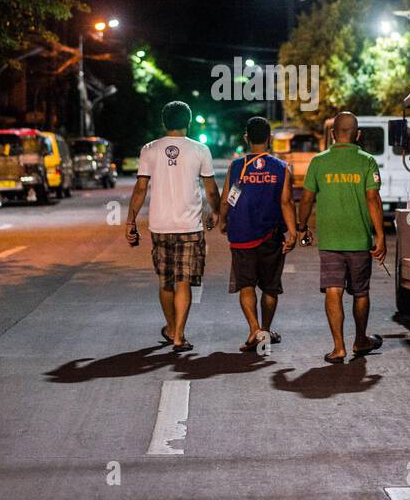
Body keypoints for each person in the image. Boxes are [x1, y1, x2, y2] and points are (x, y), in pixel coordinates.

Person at [125, 101, 220, 353]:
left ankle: (171, 327)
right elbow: (210, 189)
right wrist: (217, 211)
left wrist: (130, 220)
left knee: (165, 282)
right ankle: (178, 336)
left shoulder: (150, 149)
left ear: (164, 122)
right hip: (190, 226)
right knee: (184, 282)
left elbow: (140, 188)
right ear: (188, 122)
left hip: (160, 225)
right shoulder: (200, 150)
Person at [298, 112, 386, 363]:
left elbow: (306, 198)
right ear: (358, 135)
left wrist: (301, 225)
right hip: (359, 239)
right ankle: (360, 340)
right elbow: (373, 199)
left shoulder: (318, 162)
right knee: (360, 292)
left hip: (330, 240)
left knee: (333, 291)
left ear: (333, 134)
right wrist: (380, 235)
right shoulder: (367, 161)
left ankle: (339, 348)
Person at [218, 116, 298, 352]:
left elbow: (227, 199)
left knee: (247, 285)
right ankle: (264, 328)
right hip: (270, 236)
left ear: (246, 138)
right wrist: (293, 232)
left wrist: (222, 221)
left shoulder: (236, 167)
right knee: (270, 287)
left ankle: (254, 329)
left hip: (241, 235)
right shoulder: (282, 167)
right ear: (270, 138)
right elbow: (286, 202)